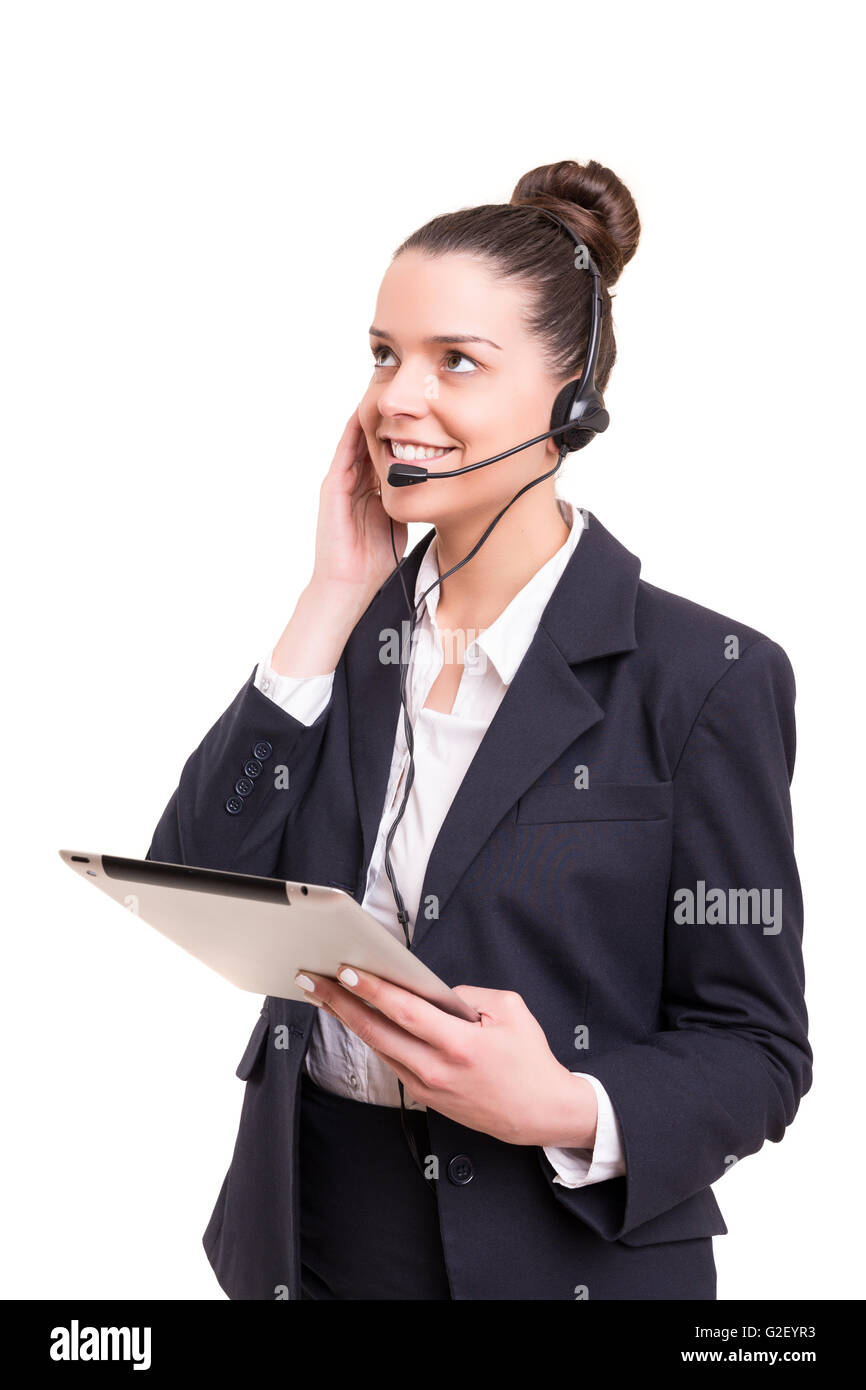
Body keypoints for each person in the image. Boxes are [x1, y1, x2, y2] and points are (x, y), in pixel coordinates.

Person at [146, 158, 812, 1300]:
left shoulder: (699, 677)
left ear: (571, 402)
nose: (395, 396)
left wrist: (561, 1102)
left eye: (454, 360)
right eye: (382, 353)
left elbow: (755, 1051)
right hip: (313, 1238)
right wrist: (327, 595)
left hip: (555, 1257)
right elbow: (197, 882)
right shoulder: (346, 641)